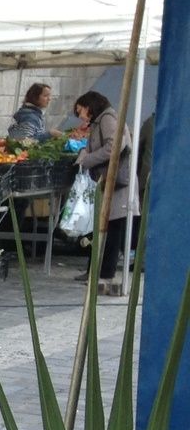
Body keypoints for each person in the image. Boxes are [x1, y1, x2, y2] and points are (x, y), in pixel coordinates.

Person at [72, 89, 136, 297]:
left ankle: (105, 274)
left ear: (90, 107)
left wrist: (87, 159)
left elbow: (115, 146)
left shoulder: (108, 118)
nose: (80, 116)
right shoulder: (102, 120)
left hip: (116, 182)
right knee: (103, 226)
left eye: (80, 111)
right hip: (108, 181)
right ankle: (95, 271)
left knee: (113, 227)